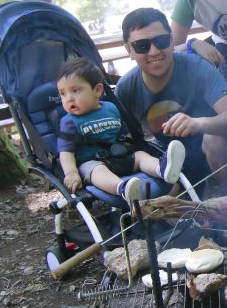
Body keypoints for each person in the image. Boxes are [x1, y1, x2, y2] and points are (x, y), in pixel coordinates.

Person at [115, 8, 227, 195]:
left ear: (170, 40)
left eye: (161, 41)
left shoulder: (197, 67)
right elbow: (127, 142)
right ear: (129, 50)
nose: (154, 51)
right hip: (171, 162)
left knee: (214, 138)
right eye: (142, 45)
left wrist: (199, 124)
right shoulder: (126, 88)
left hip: (217, 154)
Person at [55, 57, 186, 204]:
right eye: (63, 93)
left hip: (121, 157)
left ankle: (163, 169)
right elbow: (66, 152)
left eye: (75, 91)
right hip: (93, 163)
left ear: (97, 90)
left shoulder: (111, 108)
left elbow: (124, 135)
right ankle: (123, 188)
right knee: (97, 171)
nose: (69, 99)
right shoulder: (69, 122)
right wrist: (71, 173)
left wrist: (132, 147)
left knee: (141, 155)